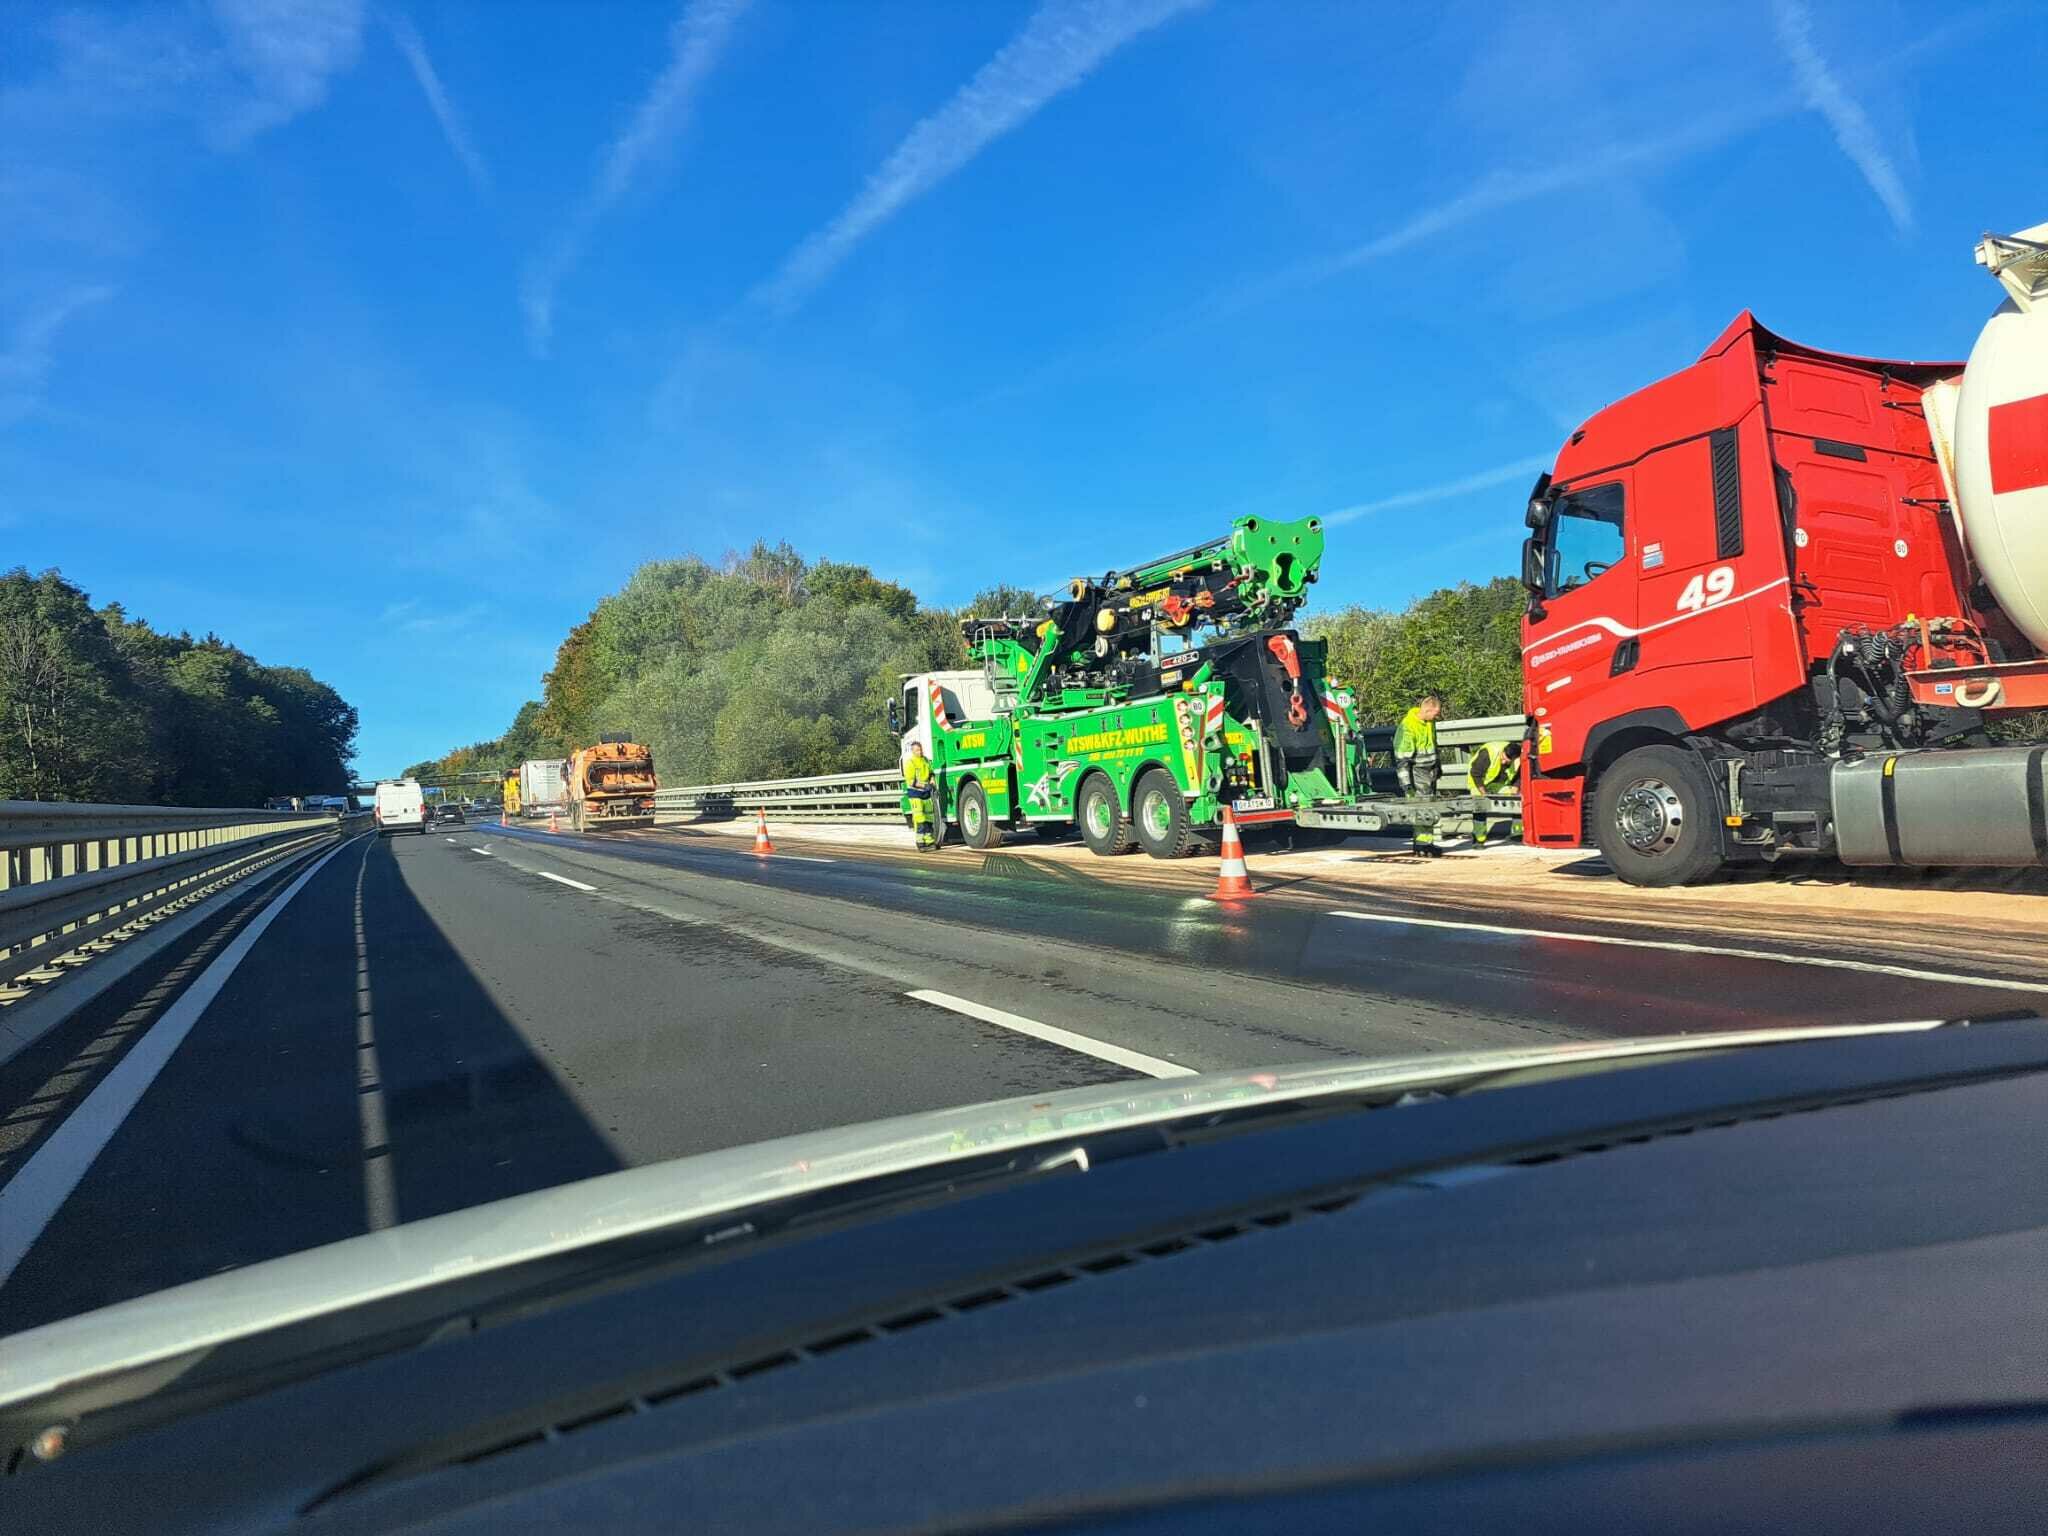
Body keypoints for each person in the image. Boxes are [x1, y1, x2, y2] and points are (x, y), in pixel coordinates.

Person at [1393, 694, 1443, 857]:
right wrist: (1406, 784)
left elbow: (1433, 745)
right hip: (1417, 771)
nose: (1437, 717)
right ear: (1427, 710)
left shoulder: (1429, 722)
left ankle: (1425, 843)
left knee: (1429, 807)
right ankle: (1422, 844)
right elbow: (1402, 759)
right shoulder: (1408, 726)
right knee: (1421, 808)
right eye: (1435, 713)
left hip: (1429, 770)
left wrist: (1438, 766)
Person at [1465, 738, 1524, 848]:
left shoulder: (1518, 759)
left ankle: (1517, 833)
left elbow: (1519, 776)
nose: (1503, 762)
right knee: (1480, 804)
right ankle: (1479, 840)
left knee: (1517, 799)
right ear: (1503, 752)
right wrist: (1483, 793)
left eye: (1507, 761)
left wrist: (1515, 788)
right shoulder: (1488, 752)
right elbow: (1475, 773)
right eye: (1503, 758)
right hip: (1479, 782)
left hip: (1499, 783)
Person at [904, 741, 938, 851]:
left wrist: (932, 781)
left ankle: (929, 840)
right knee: (920, 819)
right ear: (913, 751)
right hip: (915, 794)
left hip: (926, 793)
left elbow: (931, 772)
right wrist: (924, 786)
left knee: (929, 818)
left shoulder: (926, 760)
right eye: (917, 750)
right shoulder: (910, 763)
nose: (920, 752)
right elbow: (911, 782)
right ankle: (920, 843)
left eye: (921, 749)